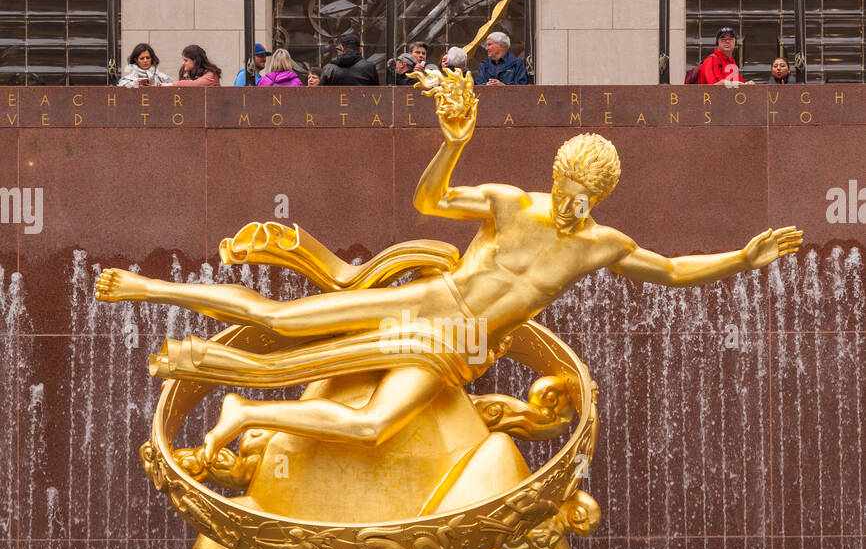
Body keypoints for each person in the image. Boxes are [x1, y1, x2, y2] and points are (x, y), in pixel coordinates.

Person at [95, 68, 802, 469]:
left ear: (598, 198)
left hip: (457, 353)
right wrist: (453, 141)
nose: (564, 203)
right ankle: (146, 288)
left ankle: (246, 410)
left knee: (375, 427)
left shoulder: (601, 244)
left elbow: (674, 270)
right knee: (282, 319)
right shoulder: (506, 202)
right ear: (553, 177)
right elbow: (429, 198)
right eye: (561, 188)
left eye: (579, 198)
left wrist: (743, 256)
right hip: (428, 303)